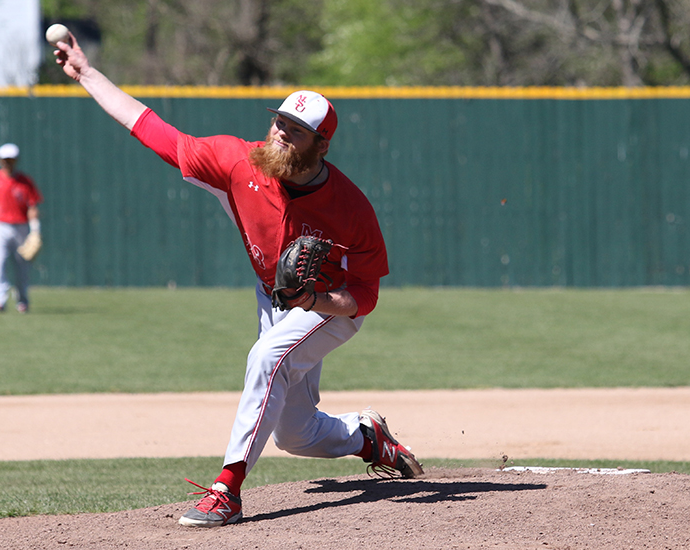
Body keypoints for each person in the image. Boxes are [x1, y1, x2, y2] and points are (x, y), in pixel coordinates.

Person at [52, 32, 423, 528]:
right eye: (280, 121)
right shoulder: (236, 163)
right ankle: (367, 437)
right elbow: (150, 128)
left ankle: (227, 490)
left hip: (328, 308)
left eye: (297, 129)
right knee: (296, 435)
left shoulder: (351, 209)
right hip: (274, 299)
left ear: (321, 143)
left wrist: (313, 298)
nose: (281, 133)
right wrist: (87, 74)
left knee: (266, 356)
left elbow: (366, 296)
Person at [0, 143, 43, 315]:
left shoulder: (25, 181)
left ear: (16, 160)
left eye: (11, 160)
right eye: (5, 160)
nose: (8, 163)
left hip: (20, 226)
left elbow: (32, 207)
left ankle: (22, 301)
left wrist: (35, 230)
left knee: (22, 266)